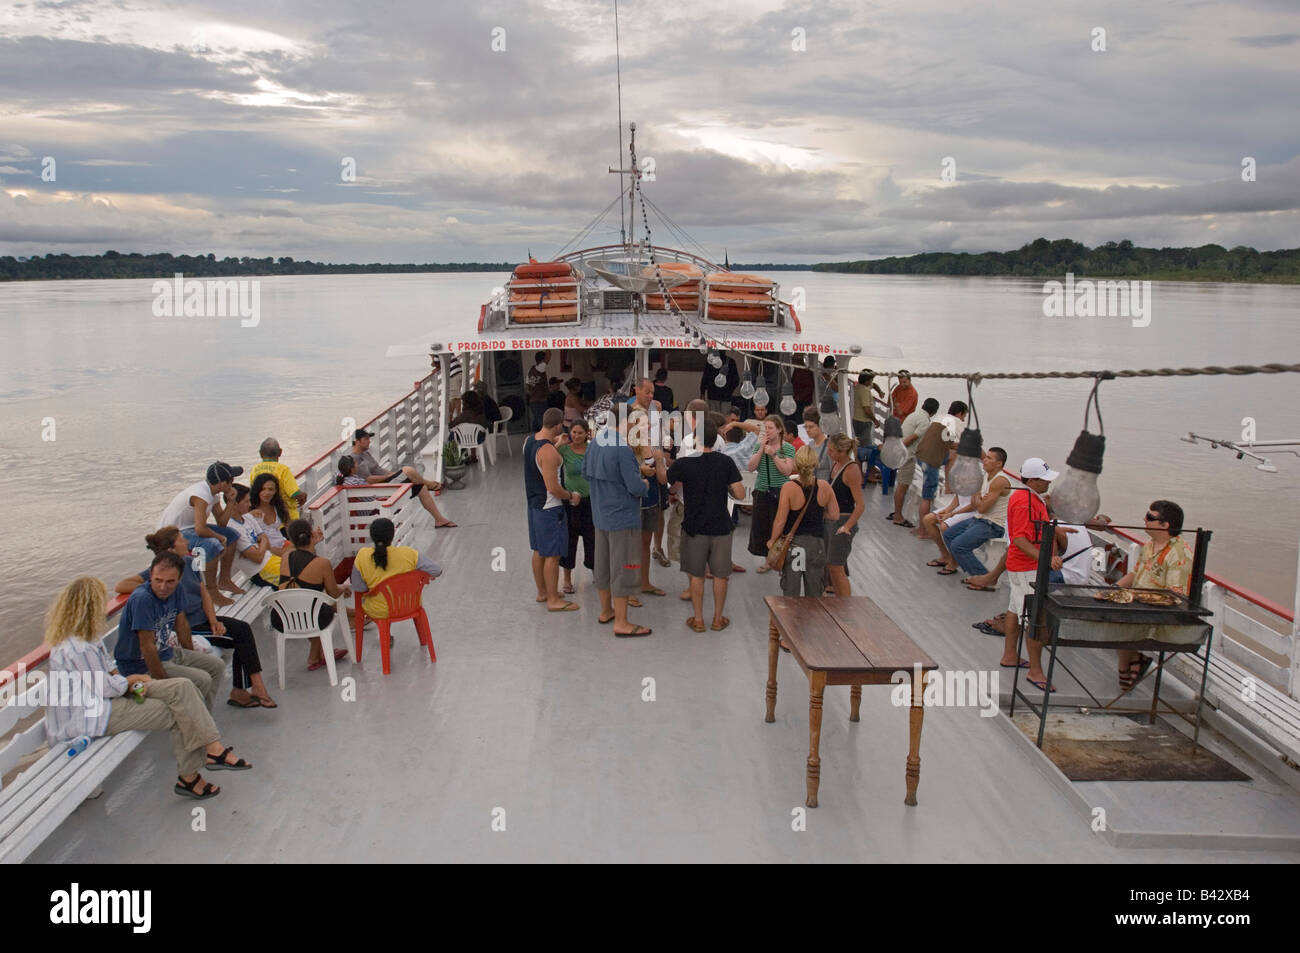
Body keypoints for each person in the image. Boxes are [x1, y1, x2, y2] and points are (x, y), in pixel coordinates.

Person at [45, 577, 251, 801]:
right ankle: (190, 775)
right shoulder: (77, 648)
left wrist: (128, 681)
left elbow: (107, 672)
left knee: (182, 687)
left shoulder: (86, 638)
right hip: (89, 717)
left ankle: (212, 747)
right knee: (178, 710)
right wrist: (132, 680)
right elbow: (105, 688)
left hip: (106, 700)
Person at [116, 526, 274, 709]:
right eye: (182, 540)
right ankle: (248, 689)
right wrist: (159, 585)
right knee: (240, 637)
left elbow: (203, 592)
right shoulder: (161, 571)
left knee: (242, 628)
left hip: (204, 619)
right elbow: (121, 585)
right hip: (194, 626)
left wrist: (214, 620)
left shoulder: (189, 562)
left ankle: (245, 689)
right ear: (171, 550)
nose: (187, 542)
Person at [113, 551, 227, 711]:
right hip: (140, 665)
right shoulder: (143, 599)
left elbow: (182, 625)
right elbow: (147, 647)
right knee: (203, 679)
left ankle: (201, 716)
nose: (162, 587)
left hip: (166, 652)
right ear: (150, 576)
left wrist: (191, 654)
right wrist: (164, 684)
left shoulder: (177, 590)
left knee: (217, 665)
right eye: (157, 580)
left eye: (170, 582)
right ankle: (197, 721)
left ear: (179, 579)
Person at [667, 417, 744, 632]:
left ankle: (698, 619)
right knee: (721, 575)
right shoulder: (726, 462)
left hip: (694, 526)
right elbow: (739, 492)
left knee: (696, 574)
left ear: (696, 439)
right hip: (721, 526)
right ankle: (718, 618)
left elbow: (668, 484)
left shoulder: (685, 464)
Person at [582, 411, 653, 637]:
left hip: (600, 515)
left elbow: (586, 472)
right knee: (624, 567)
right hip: (623, 517)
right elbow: (635, 487)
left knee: (602, 565)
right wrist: (643, 482)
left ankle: (606, 611)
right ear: (624, 421)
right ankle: (622, 622)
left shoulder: (595, 442)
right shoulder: (623, 449)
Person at [1113, 500, 1192, 690]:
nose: (1144, 519)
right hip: (1139, 605)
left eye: (1150, 517)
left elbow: (1174, 596)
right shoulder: (1149, 545)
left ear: (1165, 525)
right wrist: (1113, 589)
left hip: (1162, 614)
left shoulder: (1178, 553)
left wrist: (1138, 599)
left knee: (1118, 625)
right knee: (1109, 614)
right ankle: (1134, 660)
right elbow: (1134, 574)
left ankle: (1126, 667)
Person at [1000, 458, 1061, 692]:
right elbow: (1020, 540)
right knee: (1034, 618)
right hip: (1026, 567)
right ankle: (1036, 671)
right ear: (1033, 481)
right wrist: (1045, 558)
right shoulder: (1026, 503)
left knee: (1015, 609)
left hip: (1021, 565)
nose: (1048, 484)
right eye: (1045, 480)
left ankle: (1009, 655)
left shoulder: (1027, 497)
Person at [157, 461, 245, 606]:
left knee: (232, 535)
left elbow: (222, 523)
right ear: (223, 483)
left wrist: (231, 502)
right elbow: (200, 529)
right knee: (212, 544)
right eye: (231, 481)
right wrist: (219, 537)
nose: (232, 484)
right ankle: (211, 590)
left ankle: (224, 580)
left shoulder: (213, 494)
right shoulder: (201, 496)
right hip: (172, 532)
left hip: (189, 528)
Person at [276, 518, 353, 671]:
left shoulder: (285, 557)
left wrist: (311, 542)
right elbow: (333, 594)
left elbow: (300, 559)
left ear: (291, 539)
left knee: (309, 604)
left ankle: (317, 654)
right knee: (323, 607)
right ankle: (317, 654)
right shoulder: (322, 563)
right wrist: (343, 587)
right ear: (310, 535)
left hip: (282, 617)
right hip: (310, 617)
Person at [524, 408, 581, 611]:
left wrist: (557, 444)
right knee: (553, 554)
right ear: (558, 426)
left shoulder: (530, 441)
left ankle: (543, 592)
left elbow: (540, 460)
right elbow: (553, 487)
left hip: (534, 506)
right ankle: (554, 600)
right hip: (550, 509)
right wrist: (571, 496)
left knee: (539, 549)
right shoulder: (549, 453)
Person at [769, 445, 841, 597]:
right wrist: (818, 513)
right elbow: (834, 515)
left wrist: (773, 540)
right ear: (815, 463)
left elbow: (780, 520)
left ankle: (791, 620)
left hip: (794, 544)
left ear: (796, 463)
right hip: (816, 545)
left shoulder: (788, 487)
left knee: (791, 591)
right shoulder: (825, 486)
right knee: (815, 591)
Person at [348, 428, 457, 528]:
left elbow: (379, 469)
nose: (369, 441)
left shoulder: (366, 454)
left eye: (369, 438)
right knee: (408, 470)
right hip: (380, 490)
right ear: (357, 441)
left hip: (387, 481)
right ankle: (431, 485)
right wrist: (389, 476)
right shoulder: (355, 459)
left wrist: (393, 474)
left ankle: (439, 519)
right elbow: (369, 480)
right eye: (365, 439)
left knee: (421, 487)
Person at [935, 447, 1011, 578]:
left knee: (958, 546)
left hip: (993, 524)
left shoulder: (1000, 481)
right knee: (948, 534)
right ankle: (968, 569)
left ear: (999, 463)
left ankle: (983, 578)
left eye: (989, 458)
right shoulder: (987, 475)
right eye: (986, 457)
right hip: (980, 518)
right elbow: (976, 502)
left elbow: (981, 508)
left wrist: (979, 500)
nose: (985, 460)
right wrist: (979, 499)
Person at [351, 518, 443, 622]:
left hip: (379, 611)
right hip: (410, 605)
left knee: (374, 602)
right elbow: (437, 570)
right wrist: (422, 577)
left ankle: (385, 636)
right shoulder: (409, 554)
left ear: (372, 537)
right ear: (392, 535)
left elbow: (359, 587)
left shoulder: (362, 555)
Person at [627, 408, 669, 599]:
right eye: (641, 423)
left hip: (651, 501)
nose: (645, 427)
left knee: (645, 543)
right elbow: (621, 476)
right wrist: (640, 471)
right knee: (631, 546)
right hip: (632, 503)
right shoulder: (625, 447)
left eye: (647, 423)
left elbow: (662, 480)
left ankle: (644, 582)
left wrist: (659, 462)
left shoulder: (652, 447)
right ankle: (629, 587)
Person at [747, 415, 797, 573]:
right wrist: (761, 448)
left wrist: (774, 455)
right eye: (765, 428)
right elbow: (750, 467)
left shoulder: (787, 448)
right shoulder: (759, 445)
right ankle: (767, 559)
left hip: (781, 490)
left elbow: (787, 470)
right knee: (762, 525)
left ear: (779, 430)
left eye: (770, 428)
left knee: (779, 525)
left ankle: (777, 558)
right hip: (762, 489)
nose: (767, 431)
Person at [912, 400, 967, 538]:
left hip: (921, 456)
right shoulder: (957, 422)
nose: (964, 419)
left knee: (952, 455)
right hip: (931, 461)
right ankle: (923, 531)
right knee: (927, 497)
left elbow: (941, 440)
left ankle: (949, 487)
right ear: (960, 413)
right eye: (964, 415)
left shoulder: (939, 418)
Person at [824, 434, 865, 596]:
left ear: (841, 452)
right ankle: (840, 602)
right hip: (831, 520)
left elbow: (860, 505)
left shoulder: (851, 470)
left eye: (832, 451)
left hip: (842, 520)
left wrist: (846, 526)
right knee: (831, 566)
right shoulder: (836, 464)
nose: (829, 453)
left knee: (836, 567)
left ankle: (846, 604)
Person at [886, 397, 935, 528]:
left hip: (900, 452)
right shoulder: (925, 421)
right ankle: (898, 517)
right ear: (934, 412)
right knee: (903, 486)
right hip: (906, 455)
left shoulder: (914, 415)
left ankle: (896, 512)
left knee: (901, 485)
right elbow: (912, 438)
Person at [558, 420, 595, 595]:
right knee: (569, 541)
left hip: (590, 501)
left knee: (592, 540)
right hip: (571, 502)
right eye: (574, 432)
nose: (577, 436)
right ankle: (566, 579)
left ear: (587, 433)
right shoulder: (564, 450)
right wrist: (559, 441)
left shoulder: (593, 449)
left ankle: (597, 574)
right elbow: (546, 452)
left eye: (580, 433)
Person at [248, 438, 306, 522]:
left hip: (263, 518)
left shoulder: (255, 469)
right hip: (286, 518)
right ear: (280, 452)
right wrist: (303, 495)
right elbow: (295, 494)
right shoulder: (283, 470)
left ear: (260, 453)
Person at [526, 351, 551, 429]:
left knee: (537, 423)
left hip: (533, 401)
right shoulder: (541, 368)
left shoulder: (531, 370)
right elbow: (548, 356)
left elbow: (527, 387)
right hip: (540, 401)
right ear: (542, 359)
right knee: (543, 424)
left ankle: (535, 439)